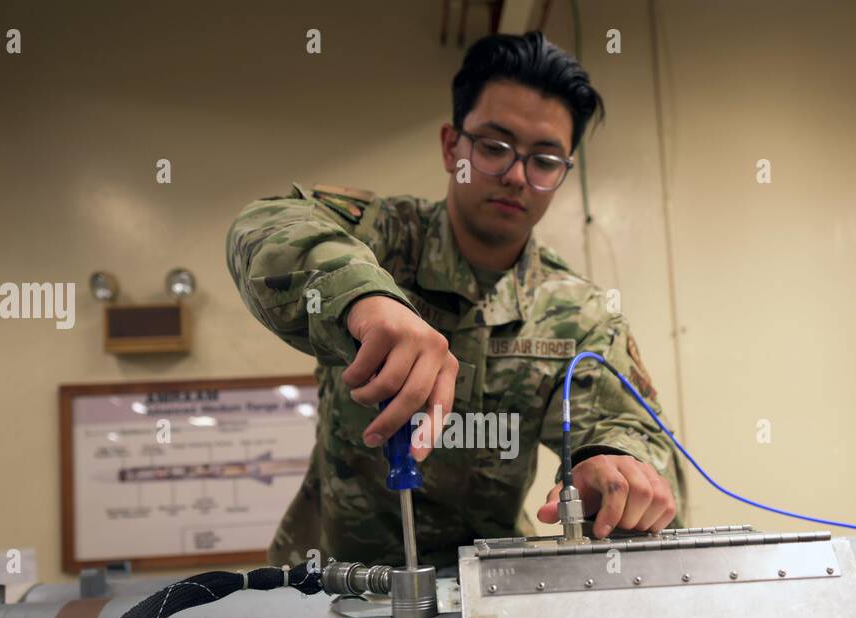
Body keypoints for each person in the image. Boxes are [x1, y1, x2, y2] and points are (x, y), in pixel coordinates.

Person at [226, 31, 686, 569]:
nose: (516, 176)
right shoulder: (380, 237)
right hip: (330, 583)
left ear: (563, 174)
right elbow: (264, 226)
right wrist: (365, 298)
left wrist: (615, 463)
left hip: (486, 588)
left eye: (544, 160)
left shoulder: (580, 315)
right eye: (494, 147)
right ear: (452, 147)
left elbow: (634, 435)